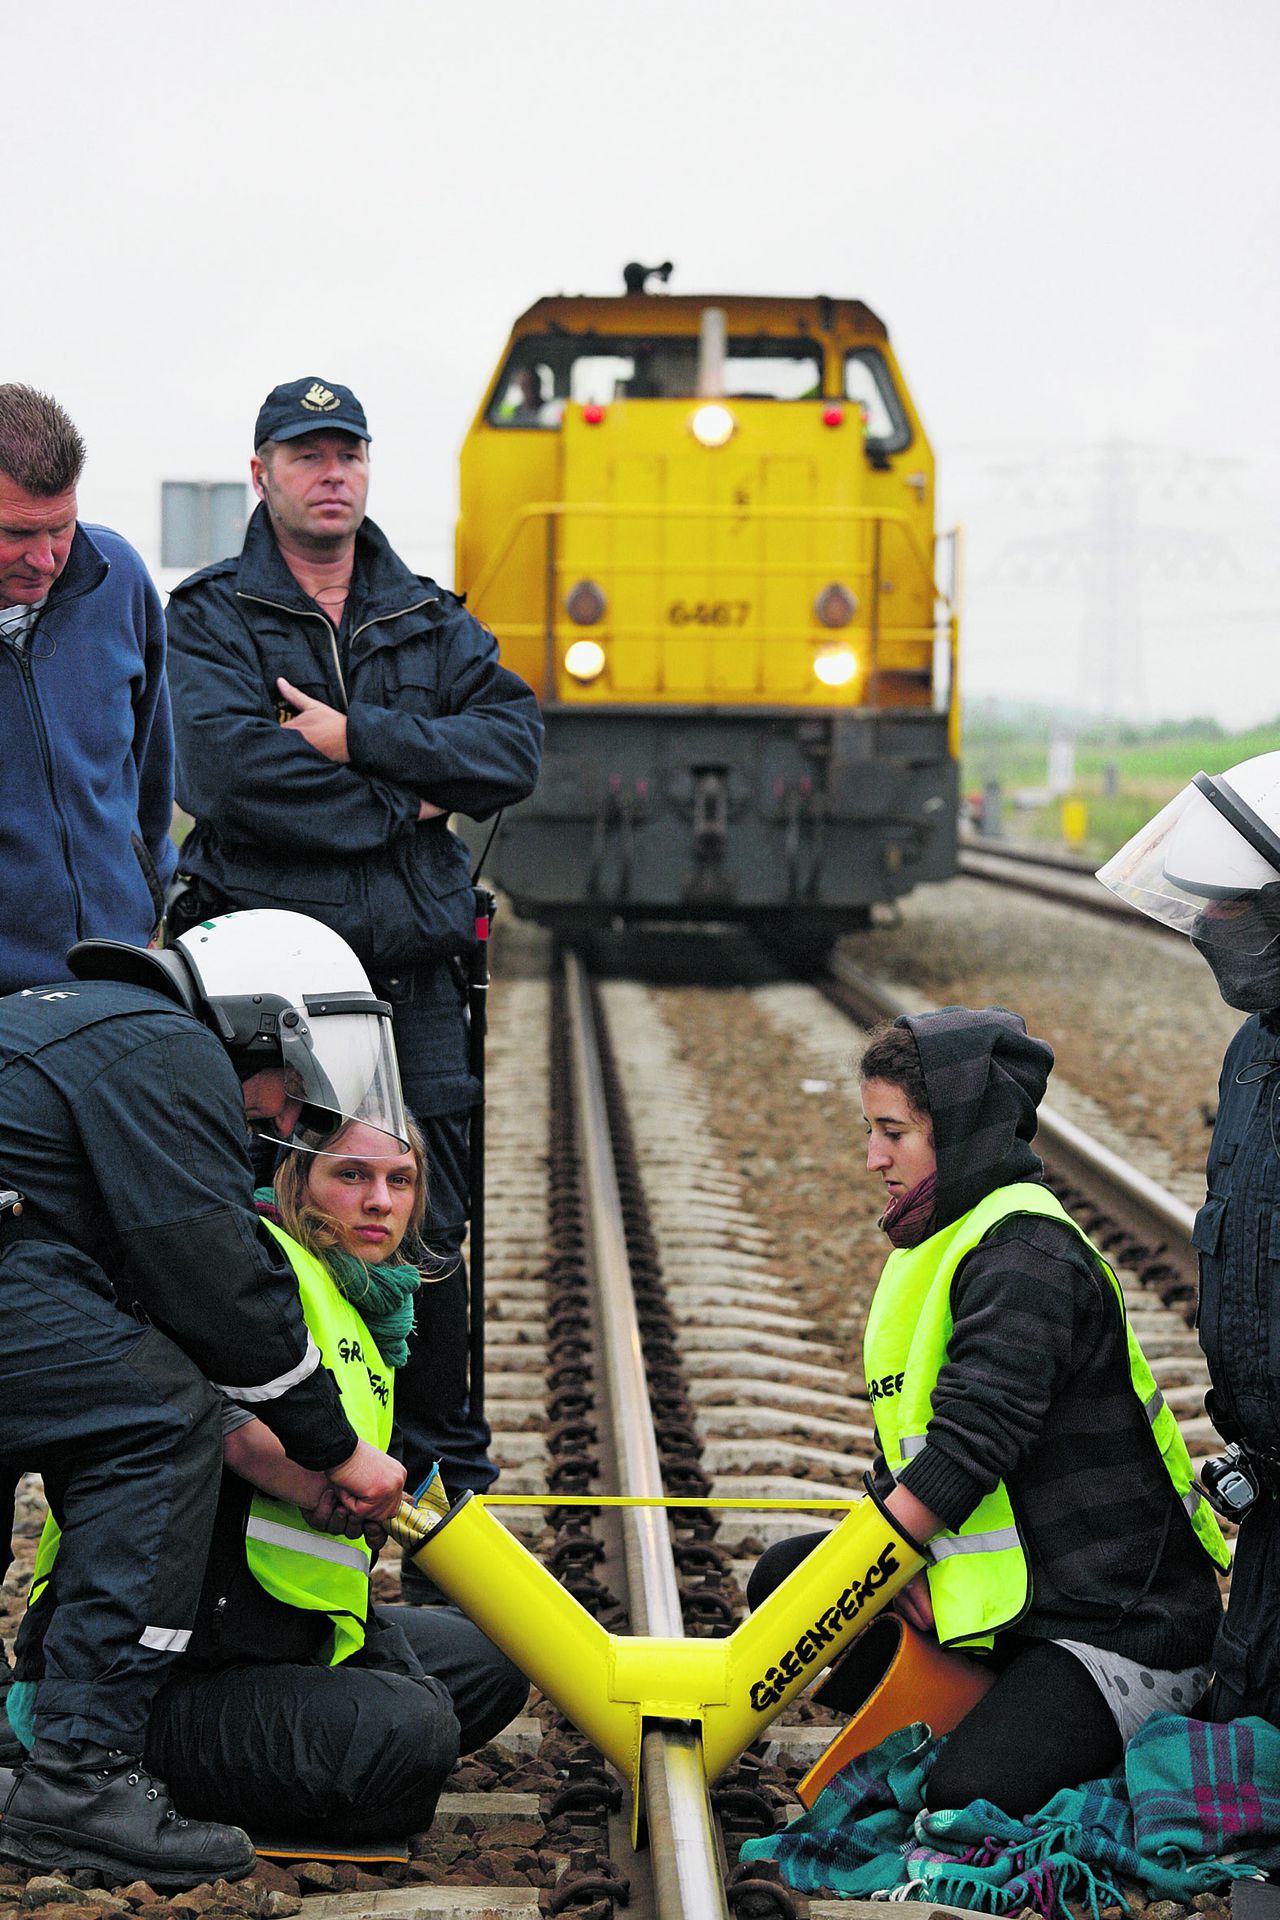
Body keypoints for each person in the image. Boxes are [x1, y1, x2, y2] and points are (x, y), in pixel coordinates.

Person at [164, 377, 543, 1514]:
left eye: (347, 454)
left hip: (409, 985)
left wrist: (357, 735)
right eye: (305, 455)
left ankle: (439, 1496)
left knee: (424, 1237)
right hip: (263, 1005)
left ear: (367, 469)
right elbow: (230, 777)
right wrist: (410, 795)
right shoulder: (211, 616)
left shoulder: (427, 617)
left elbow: (513, 749)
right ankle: (272, 1476)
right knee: (261, 1226)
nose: (331, 474)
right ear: (262, 473)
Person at [0, 909, 407, 1888]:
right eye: (291, 1090)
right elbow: (218, 1284)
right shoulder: (170, 1048)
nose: (283, 1123)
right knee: (159, 1422)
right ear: (260, 1025)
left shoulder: (76, 1019)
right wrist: (334, 1448)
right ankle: (82, 1777)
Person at [747, 1006, 1228, 1816]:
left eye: (893, 1133)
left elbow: (970, 1447)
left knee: (967, 1795)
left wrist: (887, 1564)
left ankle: (1035, 1721)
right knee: (784, 1584)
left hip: (1114, 1625)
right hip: (1017, 1603)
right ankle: (1002, 1704)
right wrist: (898, 1570)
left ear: (961, 1133)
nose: (872, 1158)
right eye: (870, 1131)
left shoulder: (1026, 1257)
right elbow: (912, 1445)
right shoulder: (948, 1239)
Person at [15, 1115, 527, 1843]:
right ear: (296, 1180)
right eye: (351, 1175)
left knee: (491, 1663)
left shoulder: (367, 1308)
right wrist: (316, 1479)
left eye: (401, 1180)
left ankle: (307, 1753)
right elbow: (211, 1415)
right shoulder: (249, 1270)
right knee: (413, 1728)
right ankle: (101, 1769)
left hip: (274, 1635)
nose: (379, 1201)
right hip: (153, 1674)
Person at [1098, 752, 1280, 1728]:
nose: (1209, 923)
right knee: (1243, 1740)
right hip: (1269, 1509)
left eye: (1232, 903)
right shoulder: (1254, 1051)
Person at [0, 385, 176, 995]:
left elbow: (151, 770)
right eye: (16, 532)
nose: (45, 560)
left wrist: (147, 904)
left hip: (122, 973)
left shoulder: (119, 578)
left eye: (61, 527)